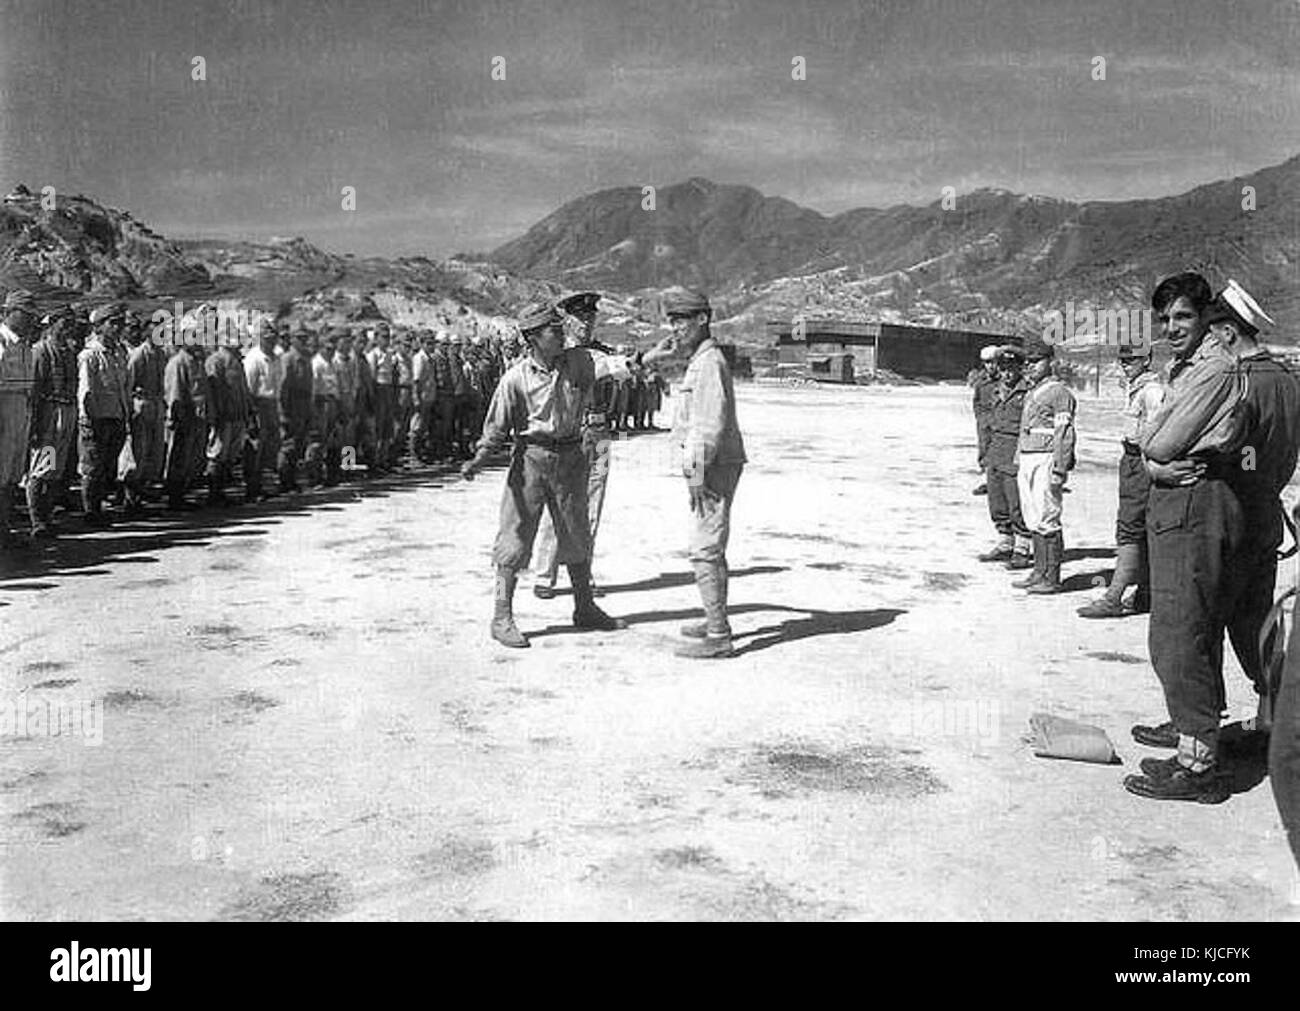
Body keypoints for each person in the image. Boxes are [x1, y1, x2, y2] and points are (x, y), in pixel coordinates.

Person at [1124, 272, 1248, 803]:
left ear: (1206, 319)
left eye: (1184, 317)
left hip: (1196, 503)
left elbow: (1161, 440)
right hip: (1179, 499)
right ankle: (1194, 740)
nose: (1173, 327)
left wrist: (1153, 454)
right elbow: (1151, 445)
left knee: (1181, 631)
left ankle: (1200, 769)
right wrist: (1154, 458)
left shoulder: (1213, 370)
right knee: (1177, 628)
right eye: (1165, 318)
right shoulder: (1185, 368)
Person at [460, 300, 630, 649]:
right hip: (531, 460)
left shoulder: (580, 361)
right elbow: (496, 427)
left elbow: (617, 367)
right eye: (554, 330)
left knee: (576, 531)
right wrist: (478, 459)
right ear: (534, 338)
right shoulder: (515, 379)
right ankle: (501, 617)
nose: (562, 334)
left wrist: (651, 358)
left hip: (571, 456)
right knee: (515, 535)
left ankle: (584, 608)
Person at [646, 287, 747, 659]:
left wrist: (695, 474)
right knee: (709, 544)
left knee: (705, 548)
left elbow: (708, 425)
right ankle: (713, 618)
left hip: (713, 467)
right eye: (671, 321)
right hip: (710, 465)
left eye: (681, 320)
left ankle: (719, 635)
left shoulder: (709, 363)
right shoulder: (701, 360)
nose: (675, 328)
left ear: (702, 319)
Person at [533, 292, 618, 601]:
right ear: (567, 320)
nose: (586, 323)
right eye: (581, 318)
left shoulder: (600, 355)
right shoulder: (558, 356)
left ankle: (585, 572)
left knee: (593, 505)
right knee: (558, 503)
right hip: (570, 435)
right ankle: (545, 573)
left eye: (591, 318)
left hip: (600, 434)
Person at [1078, 342, 1165, 618]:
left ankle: (1113, 596)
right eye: (1123, 361)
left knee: (1129, 528)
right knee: (1139, 528)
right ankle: (1144, 594)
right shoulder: (1136, 387)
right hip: (1130, 459)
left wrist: (1145, 468)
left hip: (1140, 461)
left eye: (1133, 360)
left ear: (1147, 360)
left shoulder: (1151, 391)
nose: (1126, 365)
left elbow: (1155, 435)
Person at [1011, 339, 1076, 594]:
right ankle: (1038, 571)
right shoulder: (1031, 391)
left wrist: (1060, 467)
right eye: (1028, 362)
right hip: (1028, 456)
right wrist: (1018, 458)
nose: (1031, 367)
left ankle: (1051, 576)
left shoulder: (1059, 392)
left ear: (1051, 362)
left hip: (1047, 456)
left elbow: (1065, 432)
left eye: (1036, 361)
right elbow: (1023, 429)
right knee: (1032, 516)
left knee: (1048, 515)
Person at [26, 307, 79, 537]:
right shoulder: (41, 351)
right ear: (53, 322)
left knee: (57, 468)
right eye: (65, 322)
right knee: (43, 467)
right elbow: (35, 390)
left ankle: (48, 515)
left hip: (66, 411)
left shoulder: (68, 351)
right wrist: (36, 424)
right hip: (49, 413)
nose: (69, 326)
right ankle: (37, 520)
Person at [976, 347, 1031, 565]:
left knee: (1016, 501)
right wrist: (985, 454)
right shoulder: (995, 390)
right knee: (996, 501)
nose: (1007, 373)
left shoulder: (1027, 392)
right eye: (1004, 369)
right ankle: (1005, 543)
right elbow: (987, 423)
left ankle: (1022, 548)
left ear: (1020, 368)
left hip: (1014, 450)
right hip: (995, 450)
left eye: (1012, 369)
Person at [77, 302, 130, 527]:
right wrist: (86, 419)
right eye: (113, 323)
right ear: (99, 326)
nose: (118, 328)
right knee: (92, 467)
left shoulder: (118, 353)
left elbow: (123, 386)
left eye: (120, 323)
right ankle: (91, 511)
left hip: (115, 416)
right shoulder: (90, 355)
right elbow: (85, 391)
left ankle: (100, 507)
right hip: (96, 418)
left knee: (108, 466)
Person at [0, 290, 37, 547]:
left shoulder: (25, 346)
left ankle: (5, 527)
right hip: (4, 410)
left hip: (21, 410)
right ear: (9, 312)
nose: (29, 321)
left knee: (13, 474)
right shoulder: (1, 343)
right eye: (24, 314)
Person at [122, 310, 167, 512]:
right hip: (141, 404)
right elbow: (129, 383)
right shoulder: (139, 354)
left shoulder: (160, 354)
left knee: (154, 451)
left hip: (156, 404)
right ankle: (129, 498)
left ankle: (143, 491)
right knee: (137, 452)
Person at [204, 327, 253, 506]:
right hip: (223, 417)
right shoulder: (215, 361)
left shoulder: (236, 361)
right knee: (217, 454)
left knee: (230, 455)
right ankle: (213, 493)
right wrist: (216, 415)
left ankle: (222, 491)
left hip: (238, 415)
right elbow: (212, 392)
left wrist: (248, 410)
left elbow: (244, 389)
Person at [162, 332, 205, 510]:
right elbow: (174, 393)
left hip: (194, 418)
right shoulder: (178, 362)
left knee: (189, 458)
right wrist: (174, 417)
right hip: (182, 417)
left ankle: (182, 494)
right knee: (177, 458)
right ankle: (174, 498)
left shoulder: (195, 361)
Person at [276, 325, 314, 494]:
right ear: (292, 340)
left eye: (305, 338)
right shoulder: (288, 359)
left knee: (299, 445)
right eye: (299, 338)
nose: (303, 341)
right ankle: (285, 481)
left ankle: (293, 480)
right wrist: (284, 411)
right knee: (288, 446)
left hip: (304, 405)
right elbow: (283, 387)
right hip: (291, 406)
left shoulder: (306, 358)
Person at [970, 345, 1001, 495]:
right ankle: (986, 480)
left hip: (1001, 424)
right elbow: (976, 403)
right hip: (985, 424)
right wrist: (982, 419)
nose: (990, 366)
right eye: (987, 362)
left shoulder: (1006, 381)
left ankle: (999, 483)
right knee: (984, 449)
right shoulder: (981, 383)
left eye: (993, 362)